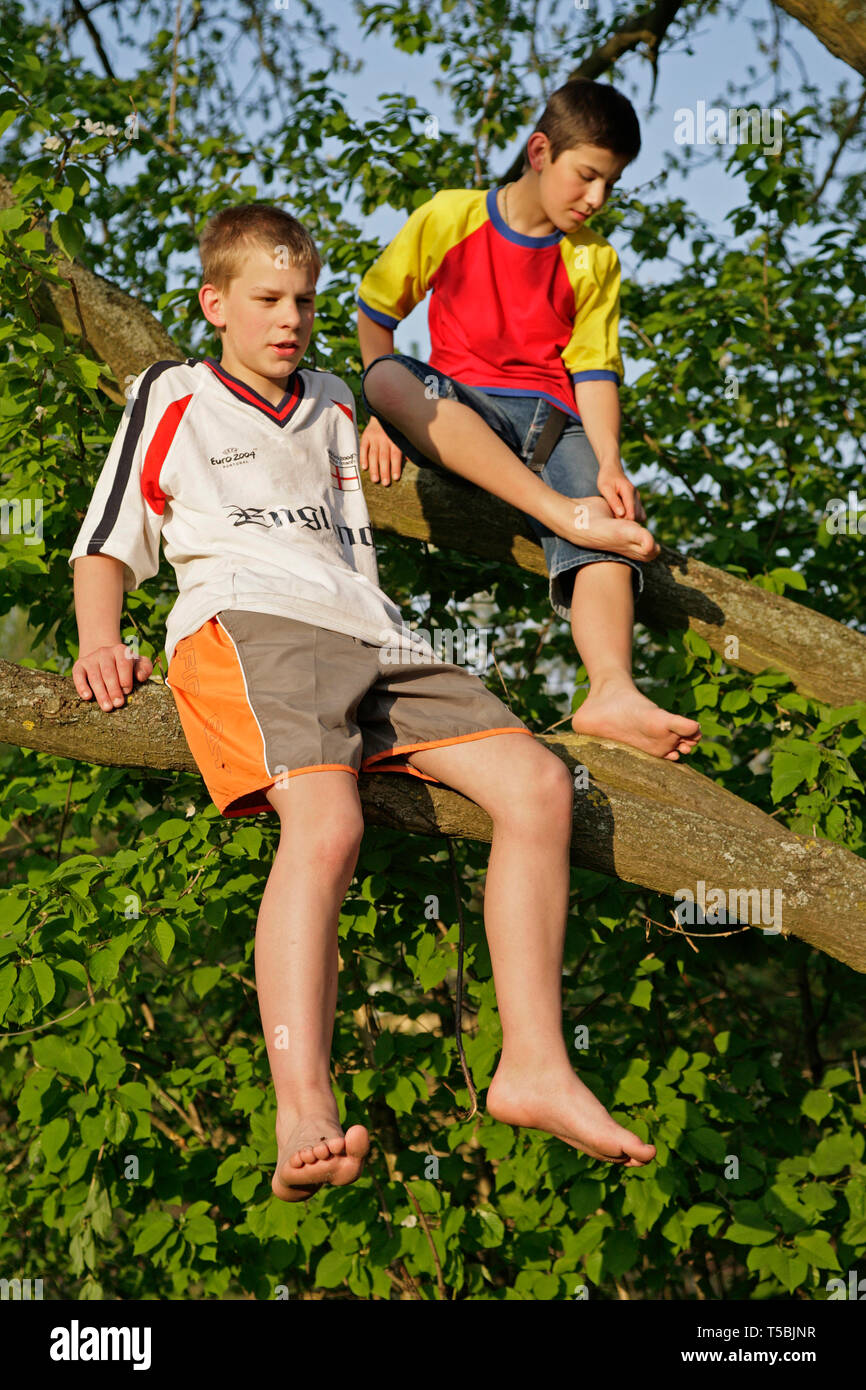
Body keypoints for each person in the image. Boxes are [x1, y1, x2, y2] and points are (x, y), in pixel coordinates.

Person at [69, 202, 656, 1201]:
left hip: (374, 633)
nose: (289, 317)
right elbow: (106, 532)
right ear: (214, 304)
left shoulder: (336, 397)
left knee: (536, 784)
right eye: (264, 300)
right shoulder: (171, 389)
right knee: (326, 823)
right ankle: (301, 1102)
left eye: (301, 299)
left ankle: (533, 1065)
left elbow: (359, 493)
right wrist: (98, 638)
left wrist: (379, 429)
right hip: (251, 622)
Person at [358, 77, 702, 763]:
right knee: (388, 377)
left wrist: (609, 462)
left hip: (552, 422)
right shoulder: (450, 216)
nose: (596, 199)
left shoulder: (594, 259)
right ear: (540, 150)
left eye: (610, 184)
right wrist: (380, 418)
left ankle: (610, 690)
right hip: (460, 406)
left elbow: (596, 370)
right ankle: (559, 513)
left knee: (614, 526)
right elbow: (378, 314)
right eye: (586, 176)